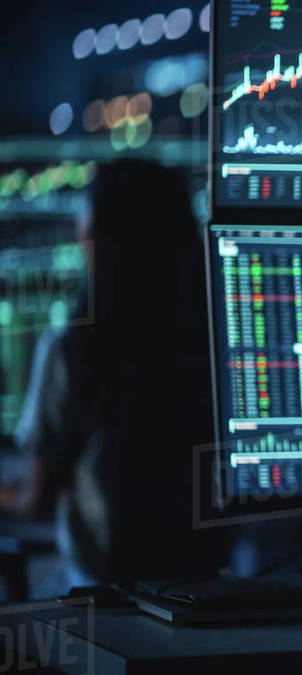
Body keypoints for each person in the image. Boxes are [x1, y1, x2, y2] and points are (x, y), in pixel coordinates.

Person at [8, 159, 229, 589]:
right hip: (202, 596)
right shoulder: (214, 347)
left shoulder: (72, 351)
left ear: (98, 239)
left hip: (104, 603)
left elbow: (37, 500)